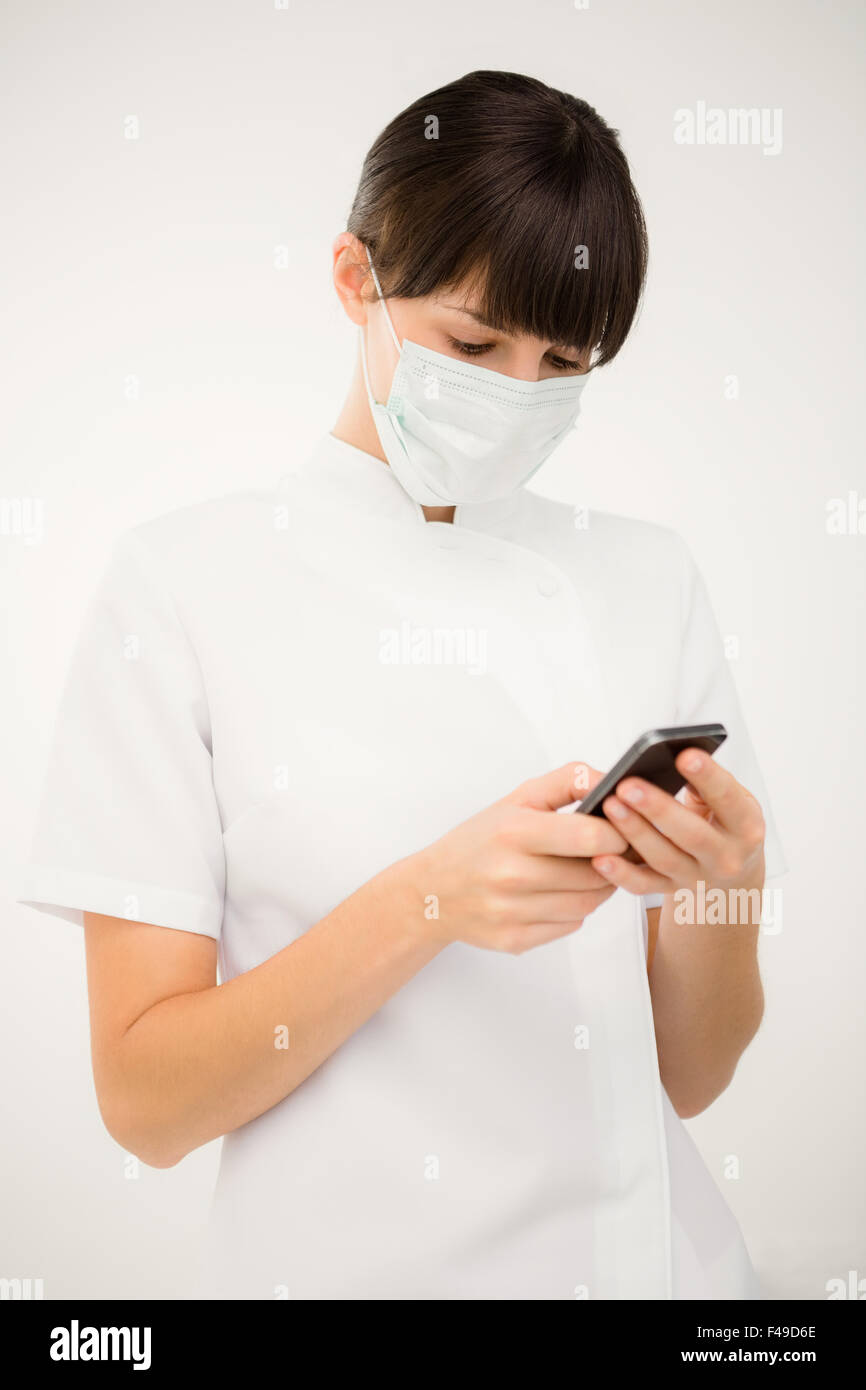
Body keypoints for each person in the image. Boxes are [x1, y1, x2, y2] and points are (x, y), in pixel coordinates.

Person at [17, 70, 786, 1300]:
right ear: (351, 279)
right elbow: (146, 1104)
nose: (514, 398)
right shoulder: (181, 586)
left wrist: (722, 892)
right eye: (472, 345)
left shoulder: (646, 577)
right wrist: (428, 900)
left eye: (562, 363)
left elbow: (689, 1077)